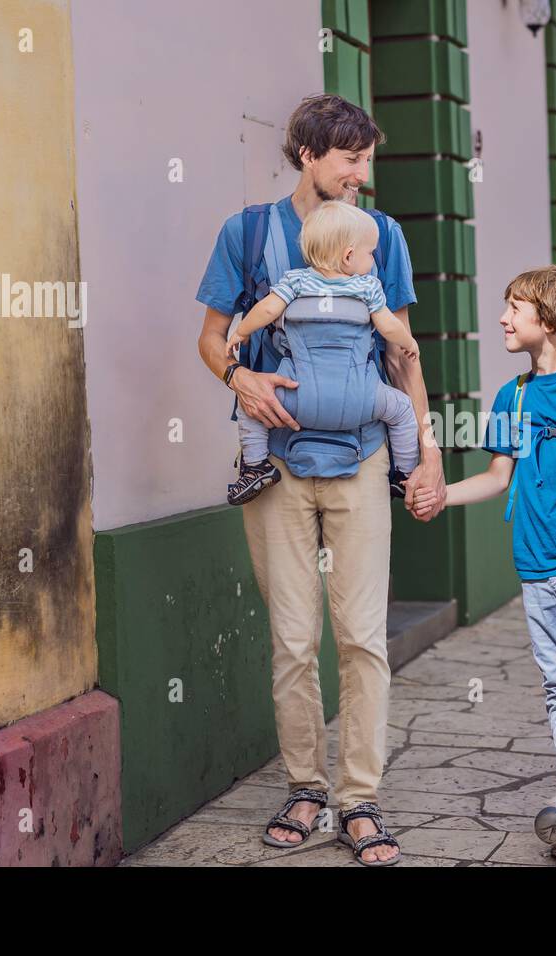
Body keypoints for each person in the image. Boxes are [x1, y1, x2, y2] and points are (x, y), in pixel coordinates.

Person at [195, 94, 445, 866]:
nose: (363, 175)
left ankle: (359, 799)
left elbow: (402, 353)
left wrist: (426, 449)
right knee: (293, 640)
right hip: (274, 465)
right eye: (351, 159)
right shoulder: (246, 234)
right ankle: (305, 788)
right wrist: (240, 379)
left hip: (366, 454)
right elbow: (211, 340)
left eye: (367, 159)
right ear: (308, 154)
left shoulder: (383, 237)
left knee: (362, 637)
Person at [442, 265, 556, 862]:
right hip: (532, 566)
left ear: (546, 320)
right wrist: (439, 495)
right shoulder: (510, 396)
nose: (503, 318)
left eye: (514, 308)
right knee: (555, 686)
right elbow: (498, 478)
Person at [223, 200, 421, 505]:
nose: (372, 259)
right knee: (402, 410)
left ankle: (255, 466)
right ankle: (403, 474)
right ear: (348, 256)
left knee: (252, 407)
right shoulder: (367, 287)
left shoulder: (295, 281)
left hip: (296, 396)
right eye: (369, 253)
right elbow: (388, 326)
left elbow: (266, 310)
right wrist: (409, 342)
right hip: (360, 397)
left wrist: (241, 331)